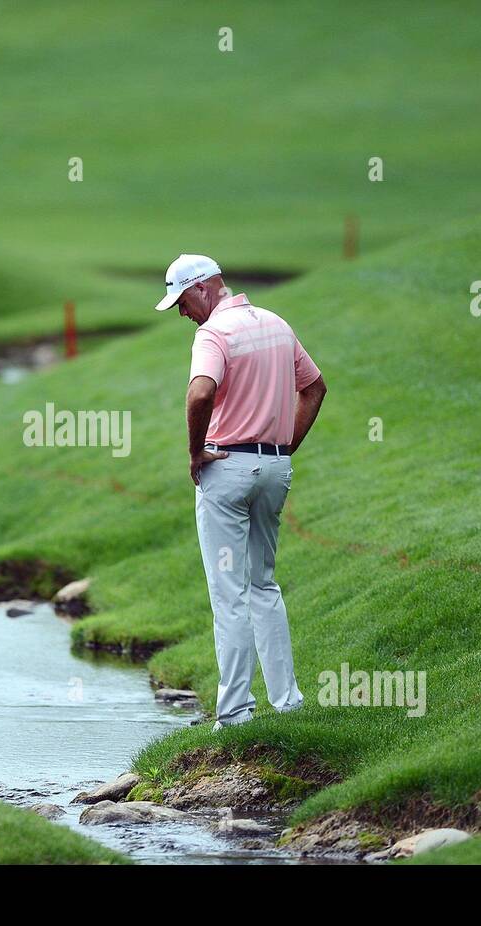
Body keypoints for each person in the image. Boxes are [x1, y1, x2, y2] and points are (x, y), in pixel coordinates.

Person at [155, 254, 326, 729]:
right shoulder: (275, 323)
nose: (183, 313)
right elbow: (314, 388)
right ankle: (287, 702)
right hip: (273, 469)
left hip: (227, 471)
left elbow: (200, 393)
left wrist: (195, 453)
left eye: (184, 302)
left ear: (205, 288)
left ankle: (234, 713)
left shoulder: (212, 334)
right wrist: (283, 447)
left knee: (228, 593)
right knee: (263, 585)